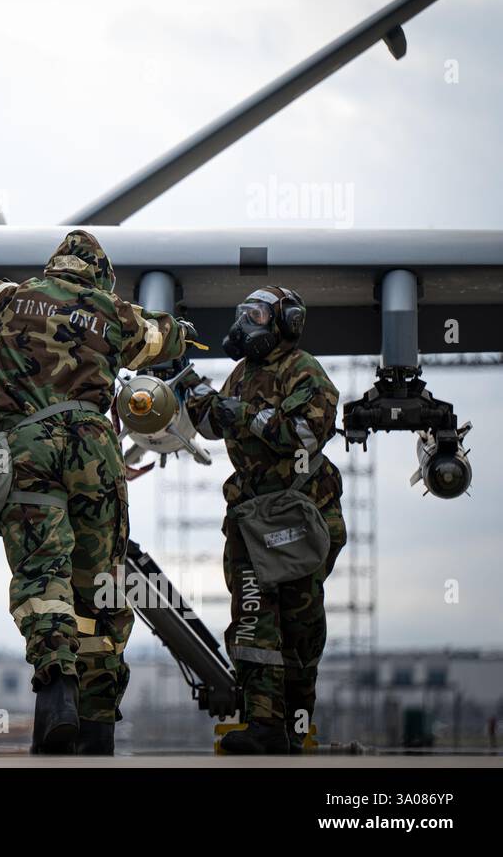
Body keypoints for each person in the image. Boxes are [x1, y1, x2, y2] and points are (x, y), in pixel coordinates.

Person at [0, 219, 196, 754]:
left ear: (55, 266)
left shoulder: (11, 299)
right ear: (99, 275)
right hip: (95, 449)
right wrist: (182, 331)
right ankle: (99, 725)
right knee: (102, 585)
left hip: (29, 447)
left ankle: (57, 688)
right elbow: (166, 335)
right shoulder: (113, 313)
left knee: (44, 574)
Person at [184, 286, 347, 754]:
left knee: (300, 624)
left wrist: (248, 416)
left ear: (286, 323)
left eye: (256, 315)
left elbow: (304, 435)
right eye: (244, 315)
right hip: (254, 522)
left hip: (298, 516)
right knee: (254, 620)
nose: (246, 324)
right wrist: (187, 385)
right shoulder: (241, 374)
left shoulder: (304, 372)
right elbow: (214, 425)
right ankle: (263, 727)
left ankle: (295, 726)